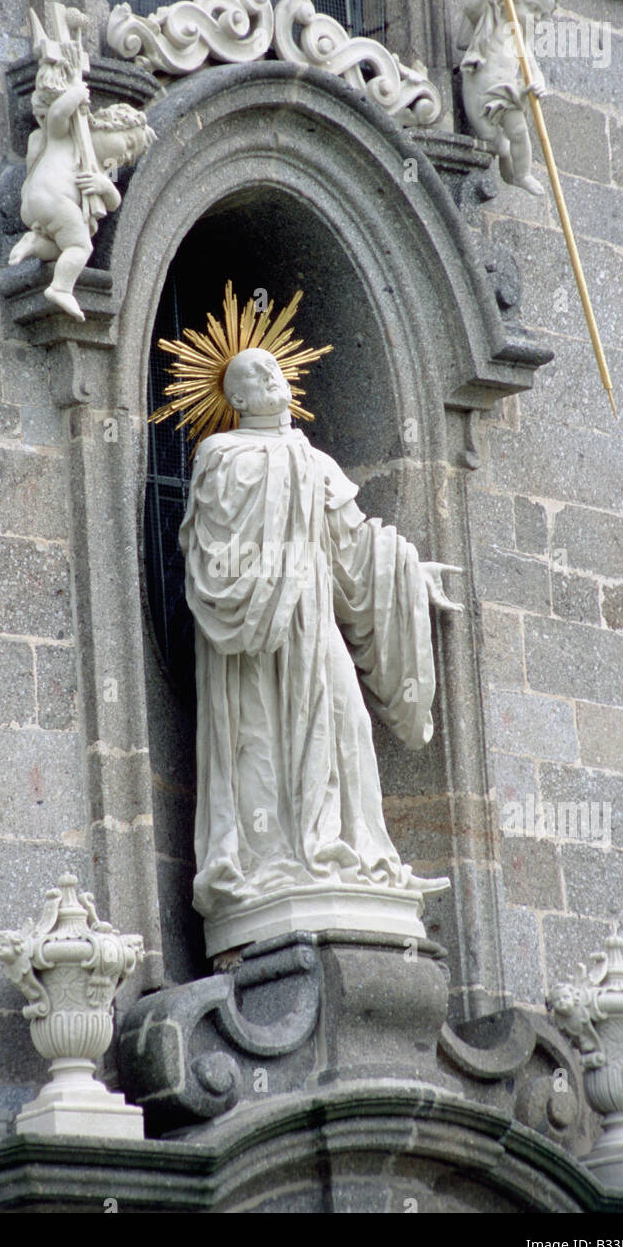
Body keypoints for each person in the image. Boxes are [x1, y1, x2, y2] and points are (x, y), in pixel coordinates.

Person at [178, 346, 462, 931]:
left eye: (273, 367)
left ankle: (354, 853)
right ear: (236, 398)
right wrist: (263, 585)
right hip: (251, 639)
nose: (271, 375)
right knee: (258, 738)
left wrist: (410, 573)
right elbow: (209, 551)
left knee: (346, 722)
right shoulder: (219, 454)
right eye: (254, 374)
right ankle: (265, 864)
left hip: (313, 617)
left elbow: (353, 549)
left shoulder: (315, 461)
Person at [8, 64, 121, 320]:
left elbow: (113, 203)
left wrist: (104, 185)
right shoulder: (65, 137)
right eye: (128, 144)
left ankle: (35, 243)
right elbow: (58, 113)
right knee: (81, 247)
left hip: (37, 206)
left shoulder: (93, 164)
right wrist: (77, 93)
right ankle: (61, 288)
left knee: (61, 249)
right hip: (55, 199)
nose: (125, 156)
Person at [457, 0, 561, 195]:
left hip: (505, 95)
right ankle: (507, 163)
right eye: (533, 9)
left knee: (520, 134)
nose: (535, 19)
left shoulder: (521, 41)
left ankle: (522, 174)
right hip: (479, 93)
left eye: (541, 15)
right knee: (495, 142)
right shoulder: (491, 20)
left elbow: (533, 69)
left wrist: (538, 84)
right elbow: (471, 8)